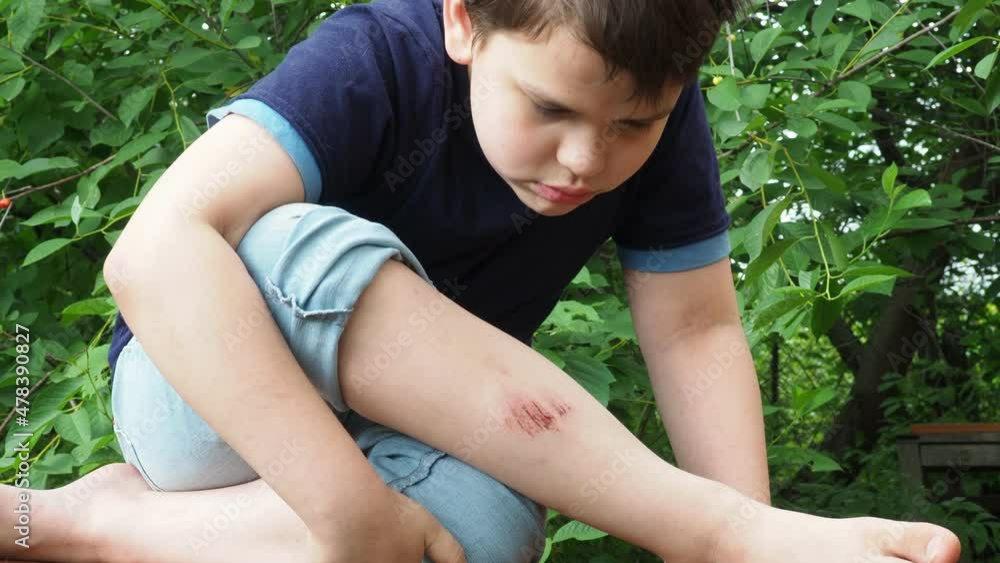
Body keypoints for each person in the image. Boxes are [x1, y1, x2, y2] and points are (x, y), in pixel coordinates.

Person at [0, 0, 961, 562]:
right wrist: (343, 505)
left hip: (404, 457)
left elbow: (695, 329)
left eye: (635, 125)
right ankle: (710, 530)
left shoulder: (658, 124)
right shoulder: (378, 55)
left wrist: (753, 527)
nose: (587, 158)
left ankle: (104, 528)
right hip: (205, 406)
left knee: (492, 524)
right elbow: (154, 251)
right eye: (549, 108)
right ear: (464, 20)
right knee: (296, 241)